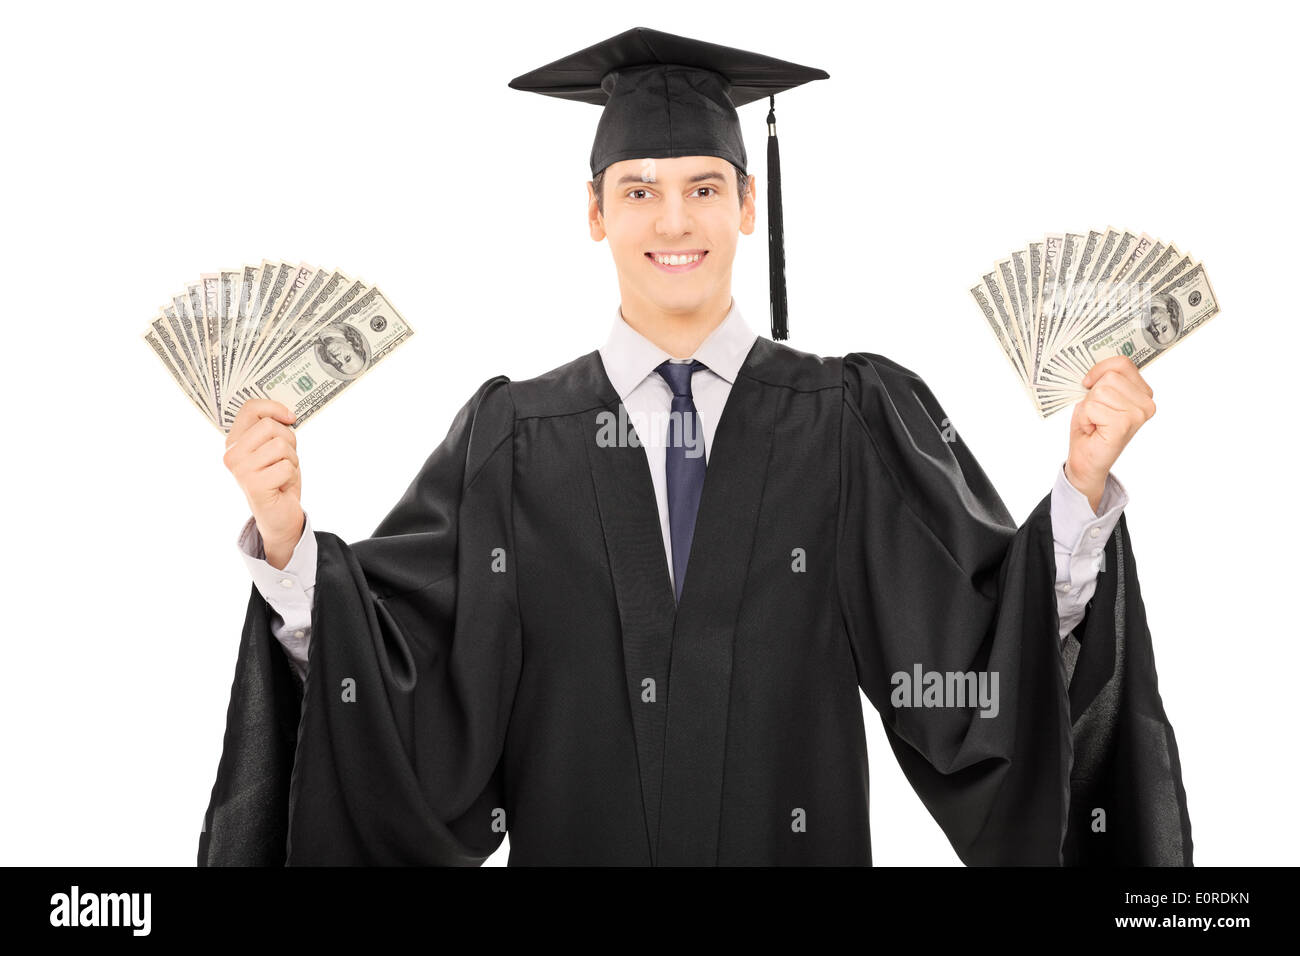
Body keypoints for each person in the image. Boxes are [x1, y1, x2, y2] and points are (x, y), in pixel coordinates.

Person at [199, 27, 1191, 866]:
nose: (674, 220)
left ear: (746, 204)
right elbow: (403, 680)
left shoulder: (845, 420)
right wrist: (289, 544)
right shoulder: (511, 441)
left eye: (704, 188)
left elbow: (971, 657)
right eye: (637, 191)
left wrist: (1079, 483)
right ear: (593, 213)